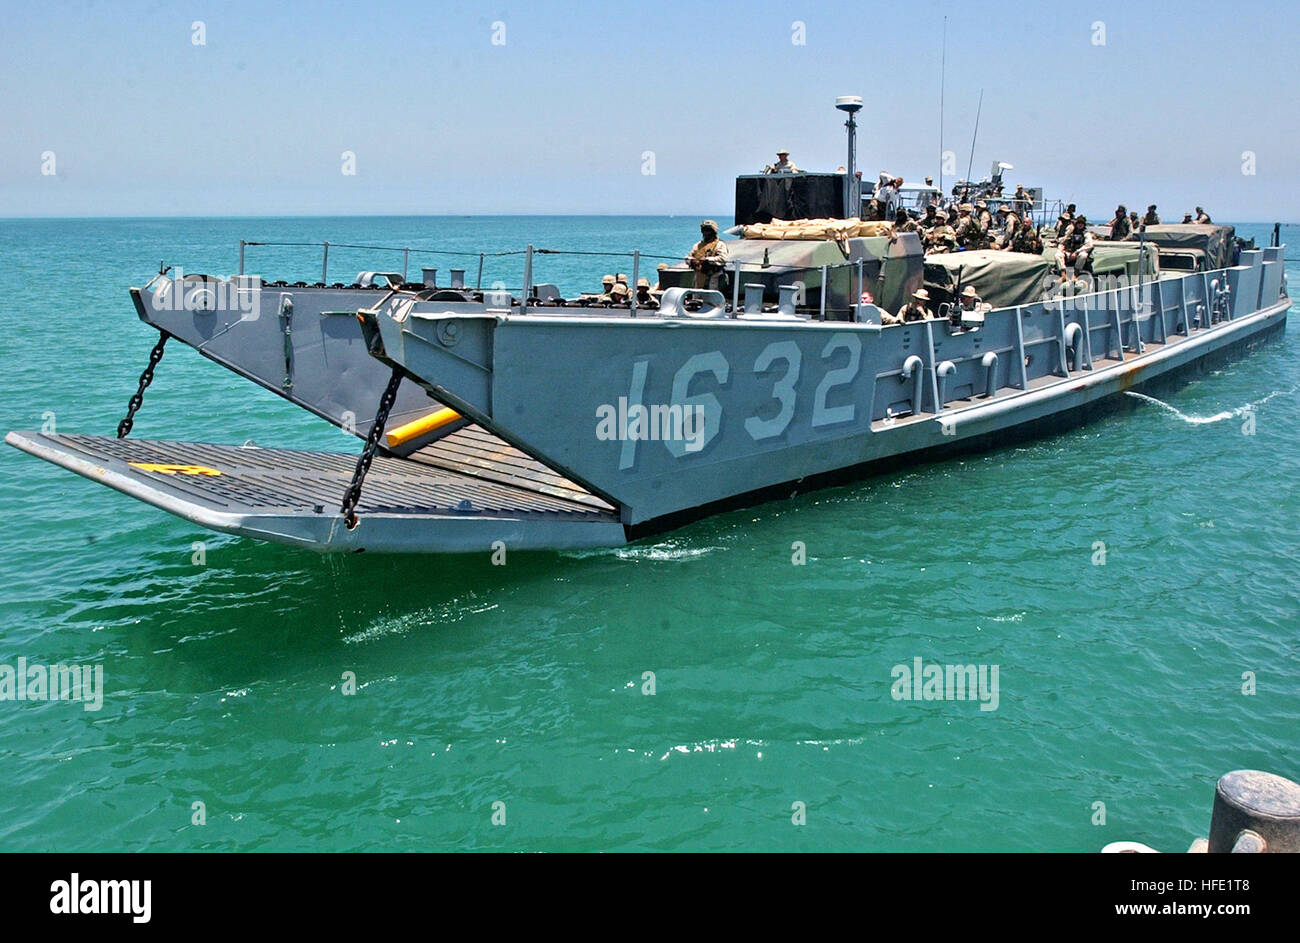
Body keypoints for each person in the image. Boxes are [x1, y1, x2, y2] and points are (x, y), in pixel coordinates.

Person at [686, 219, 729, 290]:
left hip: (714, 278)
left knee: (711, 299)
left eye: (708, 230)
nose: (705, 233)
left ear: (713, 232)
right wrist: (692, 261)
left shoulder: (720, 245)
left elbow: (723, 259)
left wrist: (707, 260)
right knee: (696, 299)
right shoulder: (698, 245)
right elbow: (687, 257)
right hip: (699, 278)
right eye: (704, 230)